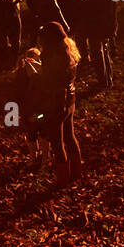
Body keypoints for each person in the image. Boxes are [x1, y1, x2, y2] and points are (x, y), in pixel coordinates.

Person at [35, 21, 82, 186]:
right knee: (70, 136)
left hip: (55, 104)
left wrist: (36, 75)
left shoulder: (51, 58)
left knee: (57, 142)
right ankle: (76, 172)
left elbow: (50, 83)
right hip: (70, 101)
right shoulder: (69, 53)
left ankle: (63, 179)